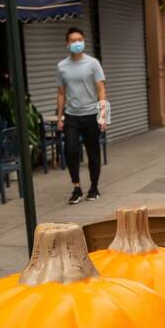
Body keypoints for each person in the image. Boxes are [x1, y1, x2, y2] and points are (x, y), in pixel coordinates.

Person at [56, 26, 107, 204]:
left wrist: (103, 116)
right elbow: (61, 93)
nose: (76, 43)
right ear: (67, 44)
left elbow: (101, 89)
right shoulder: (61, 66)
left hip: (91, 114)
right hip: (71, 116)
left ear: (84, 41)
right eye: (73, 41)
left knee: (93, 153)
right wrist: (59, 117)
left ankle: (94, 187)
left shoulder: (93, 63)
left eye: (79, 40)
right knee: (71, 150)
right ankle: (76, 187)